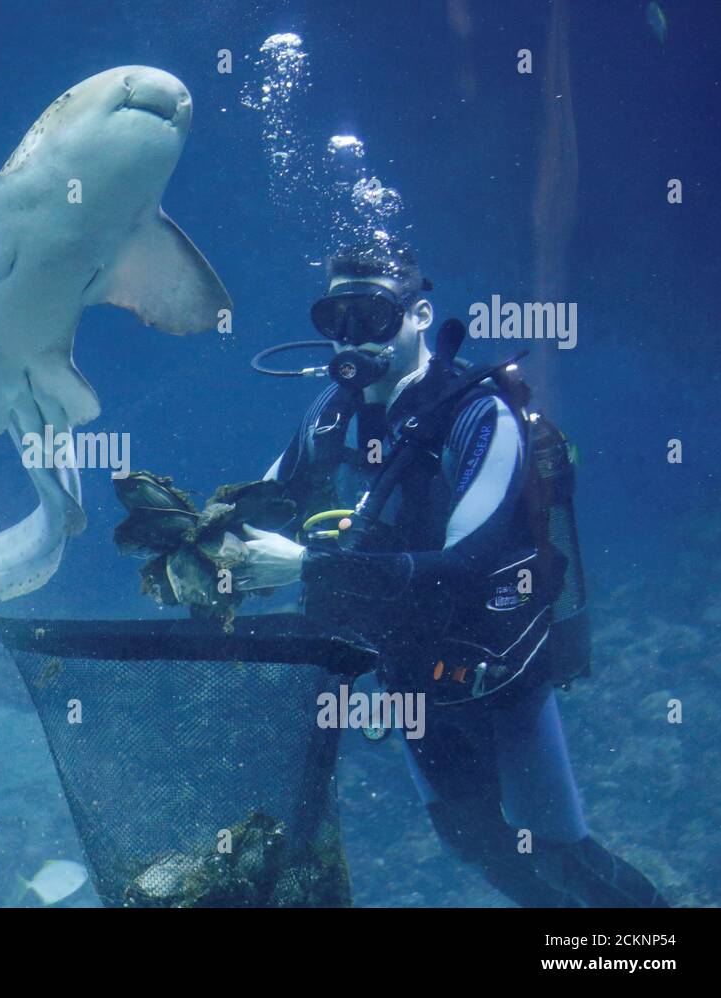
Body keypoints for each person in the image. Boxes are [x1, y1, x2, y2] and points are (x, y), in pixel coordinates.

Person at [234, 240, 667, 907]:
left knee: (559, 851)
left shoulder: (479, 412)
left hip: (497, 669)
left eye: (372, 316)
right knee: (474, 842)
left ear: (420, 315)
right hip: (407, 669)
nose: (352, 337)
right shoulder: (327, 414)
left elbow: (464, 566)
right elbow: (269, 507)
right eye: (335, 318)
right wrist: (207, 544)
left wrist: (306, 566)